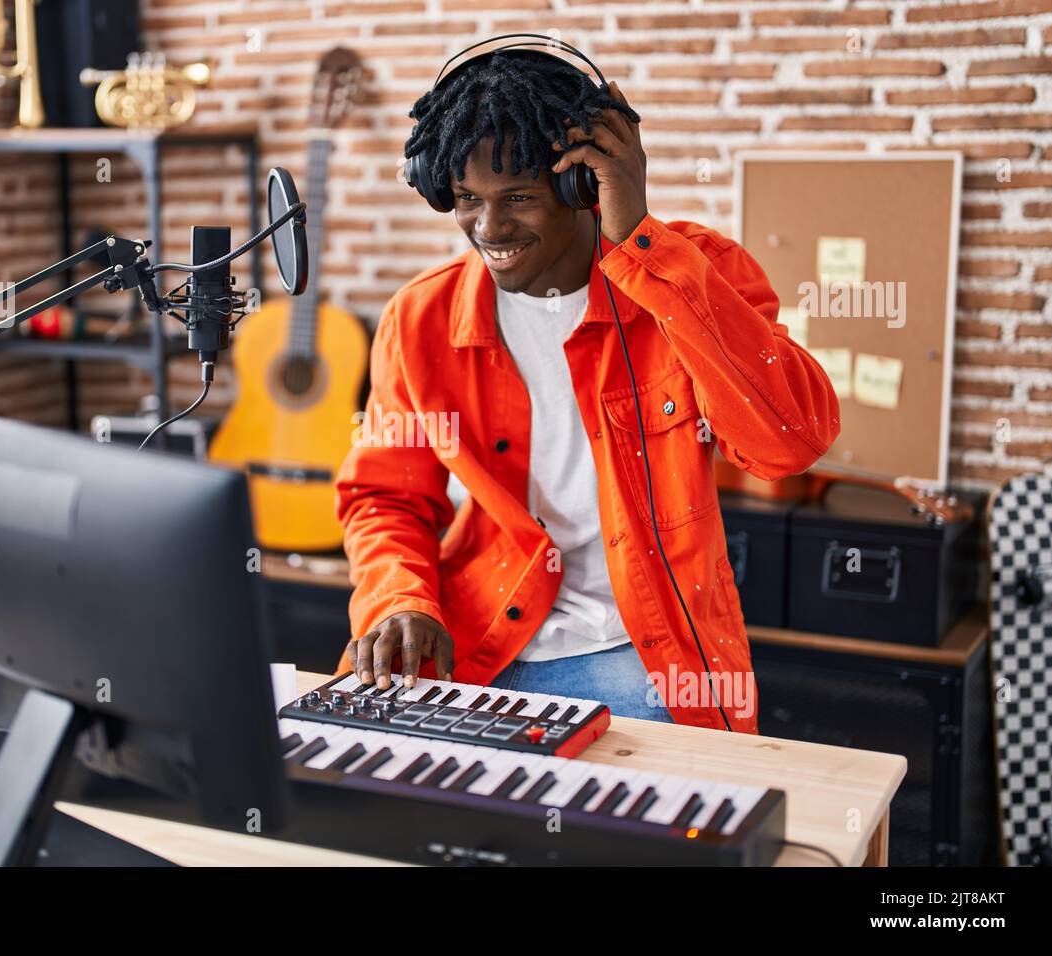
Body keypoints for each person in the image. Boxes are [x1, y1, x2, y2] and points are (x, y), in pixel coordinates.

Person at [334, 49, 839, 732]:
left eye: (518, 198)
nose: (489, 229)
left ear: (582, 186)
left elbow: (790, 442)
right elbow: (384, 497)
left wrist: (640, 244)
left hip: (644, 661)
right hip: (473, 653)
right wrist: (399, 599)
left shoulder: (697, 273)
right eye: (467, 202)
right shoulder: (419, 319)